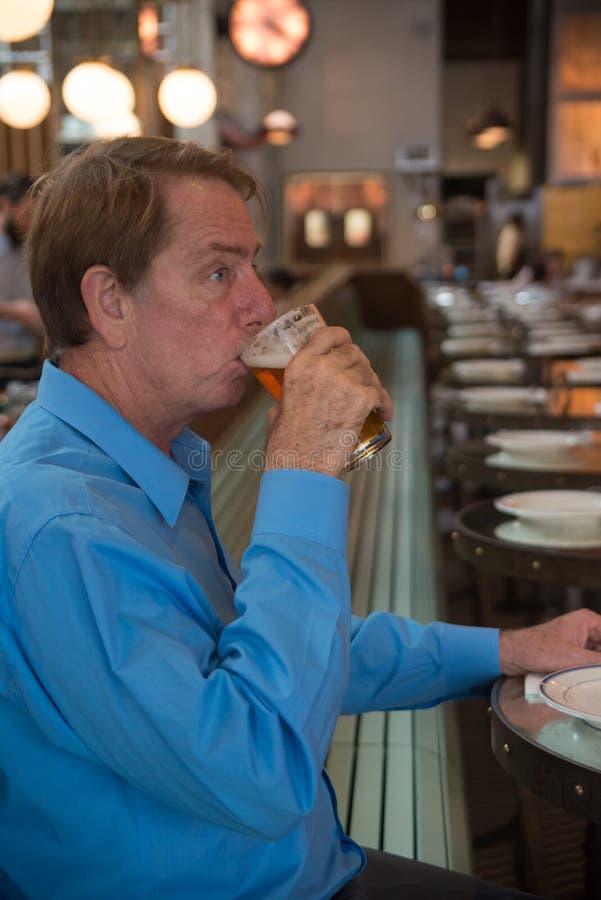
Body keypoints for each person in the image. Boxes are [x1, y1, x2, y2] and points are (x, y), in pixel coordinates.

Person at [1, 137, 601, 900]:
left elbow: (274, 650)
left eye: (252, 266)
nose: (260, 305)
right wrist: (305, 468)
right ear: (110, 302)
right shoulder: (61, 523)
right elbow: (261, 772)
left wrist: (510, 646)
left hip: (314, 869)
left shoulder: (137, 460)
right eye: (220, 272)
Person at [0, 172, 43, 378]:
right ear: (7, 205)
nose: (29, 225)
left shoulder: (30, 246)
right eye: (26, 216)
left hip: (28, 360)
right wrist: (15, 311)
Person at [496, 212, 526, 280]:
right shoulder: (512, 232)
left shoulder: (507, 230)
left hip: (505, 264)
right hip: (509, 265)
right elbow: (510, 250)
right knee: (509, 285)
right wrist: (514, 264)